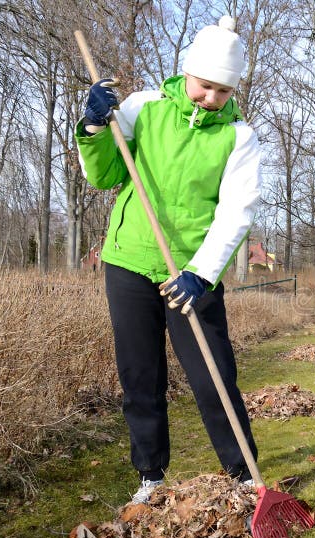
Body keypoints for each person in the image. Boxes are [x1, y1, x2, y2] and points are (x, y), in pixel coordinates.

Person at [76, 15, 261, 505]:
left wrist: (202, 273)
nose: (211, 98)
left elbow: (236, 213)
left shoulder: (238, 137)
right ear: (188, 72)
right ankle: (151, 475)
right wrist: (94, 127)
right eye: (205, 85)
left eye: (223, 91)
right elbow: (105, 175)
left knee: (213, 375)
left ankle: (243, 476)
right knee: (140, 376)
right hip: (130, 262)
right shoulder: (145, 108)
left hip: (191, 272)